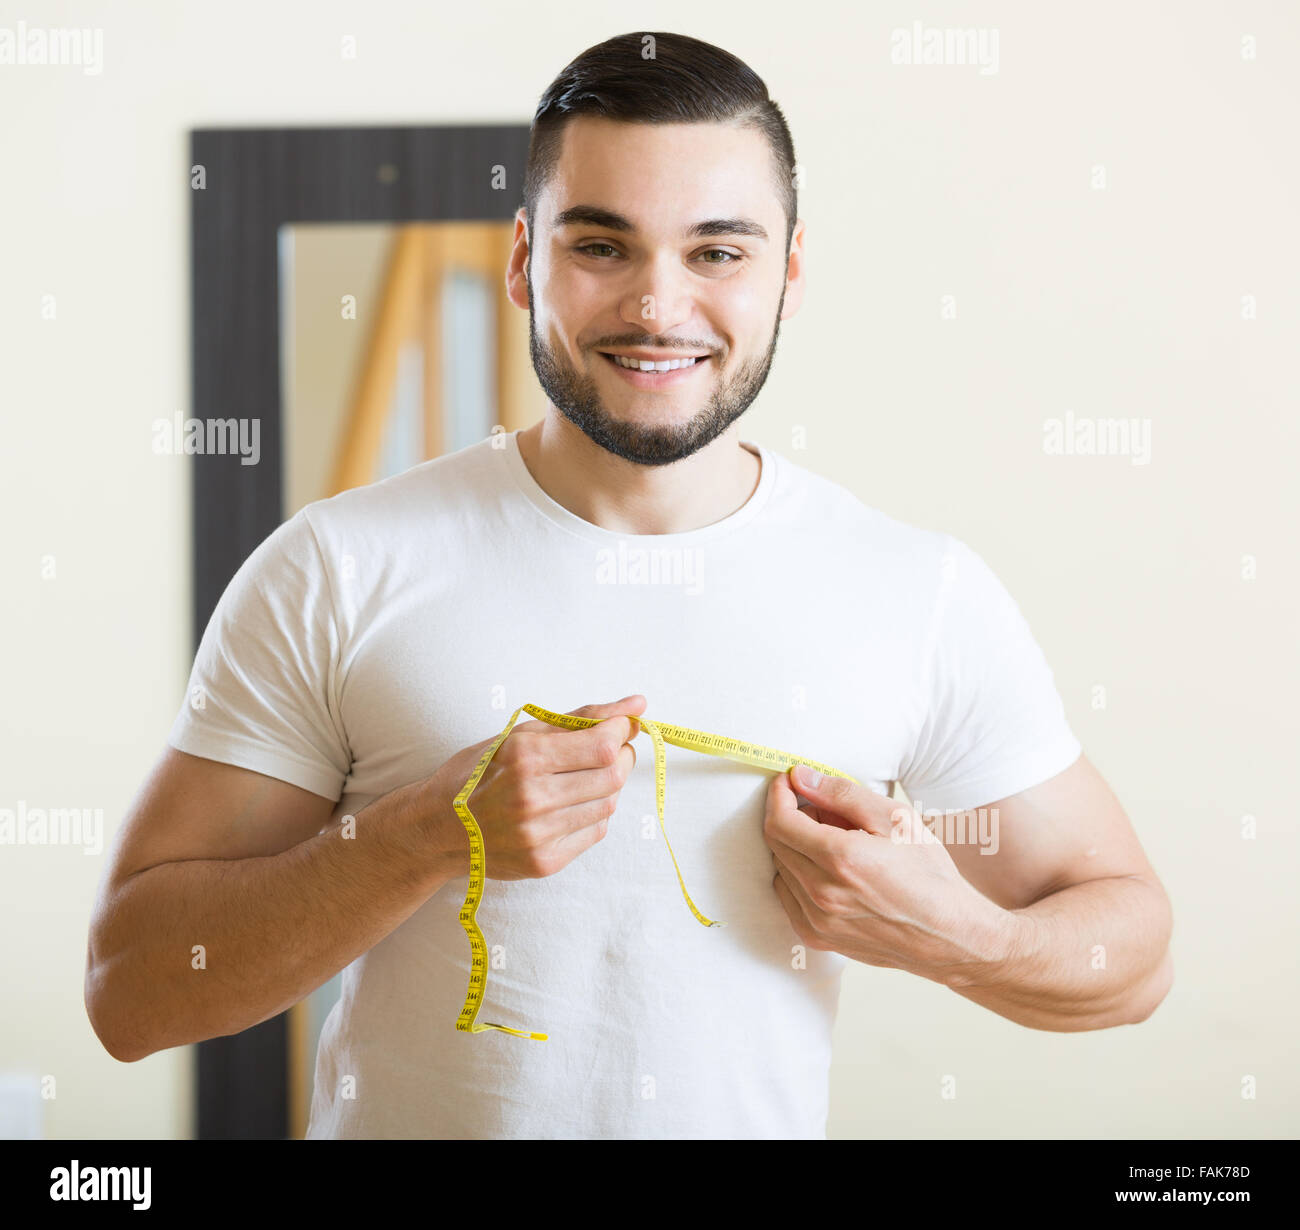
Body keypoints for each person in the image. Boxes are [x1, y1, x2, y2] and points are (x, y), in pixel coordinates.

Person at [84, 30, 1172, 1139]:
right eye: (602, 246)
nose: (658, 308)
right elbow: (129, 991)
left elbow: (1131, 961)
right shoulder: (338, 567)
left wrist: (952, 937)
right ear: (523, 261)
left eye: (717, 252)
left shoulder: (919, 591)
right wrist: (424, 836)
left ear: (789, 274)